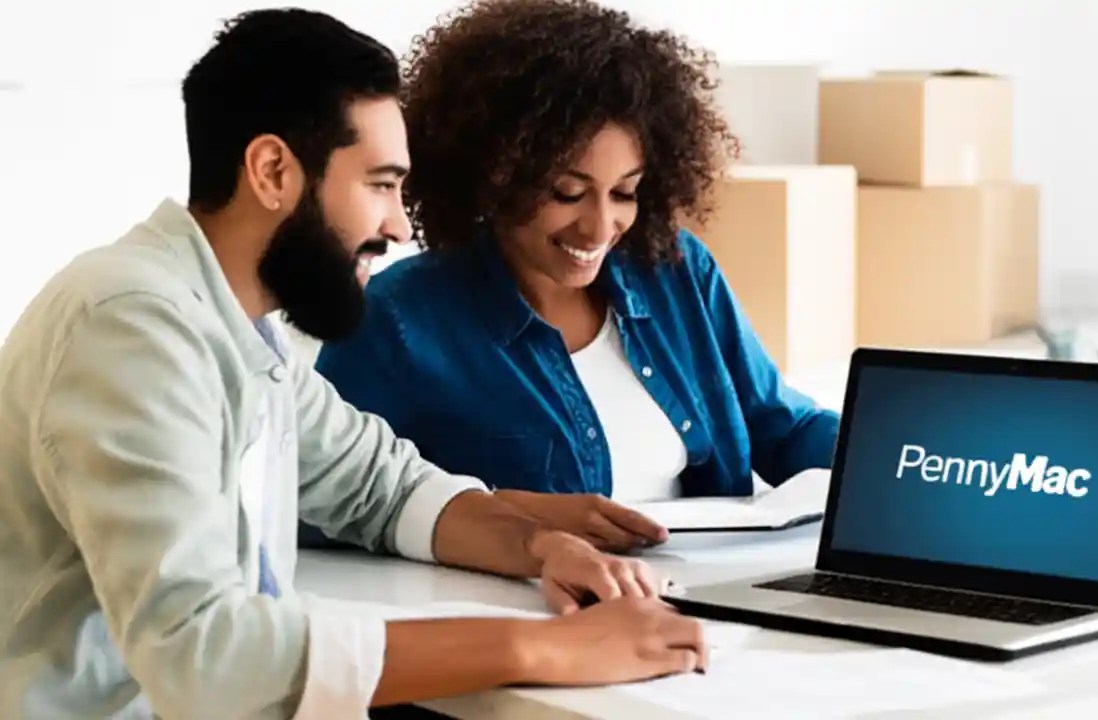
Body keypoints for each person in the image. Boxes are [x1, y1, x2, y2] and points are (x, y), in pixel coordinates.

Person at [0, 9, 706, 720]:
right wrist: (547, 650)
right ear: (273, 170)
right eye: (380, 184)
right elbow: (203, 655)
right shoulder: (131, 326)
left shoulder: (235, 327)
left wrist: (541, 547)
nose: (400, 225)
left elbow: (382, 486)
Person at [309, 0, 841, 553]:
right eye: (567, 193)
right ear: (496, 173)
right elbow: (311, 500)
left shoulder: (677, 271)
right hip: (531, 613)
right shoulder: (399, 317)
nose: (599, 227)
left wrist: (901, 458)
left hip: (712, 599)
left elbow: (783, 426)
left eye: (625, 192)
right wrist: (506, 511)